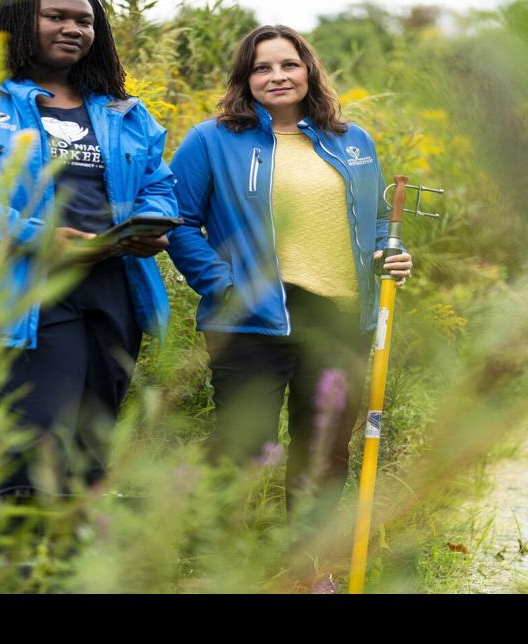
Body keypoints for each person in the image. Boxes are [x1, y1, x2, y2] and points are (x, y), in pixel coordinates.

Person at [0, 0, 177, 498]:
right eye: (57, 16)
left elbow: (159, 182)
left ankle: (68, 564)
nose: (74, 29)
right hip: (21, 289)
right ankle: (15, 565)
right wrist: (33, 234)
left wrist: (151, 225)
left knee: (91, 445)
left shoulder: (120, 109)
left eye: (85, 21)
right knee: (37, 444)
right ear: (19, 19)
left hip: (112, 286)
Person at [166, 24, 412, 528]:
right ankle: (218, 558)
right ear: (245, 78)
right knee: (242, 448)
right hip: (249, 320)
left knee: (323, 449)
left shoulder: (353, 141)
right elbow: (177, 221)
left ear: (308, 71)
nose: (277, 76)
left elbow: (378, 221)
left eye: (288, 65)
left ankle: (306, 568)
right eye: (262, 67)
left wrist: (393, 253)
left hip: (341, 320)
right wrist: (222, 283)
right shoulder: (211, 141)